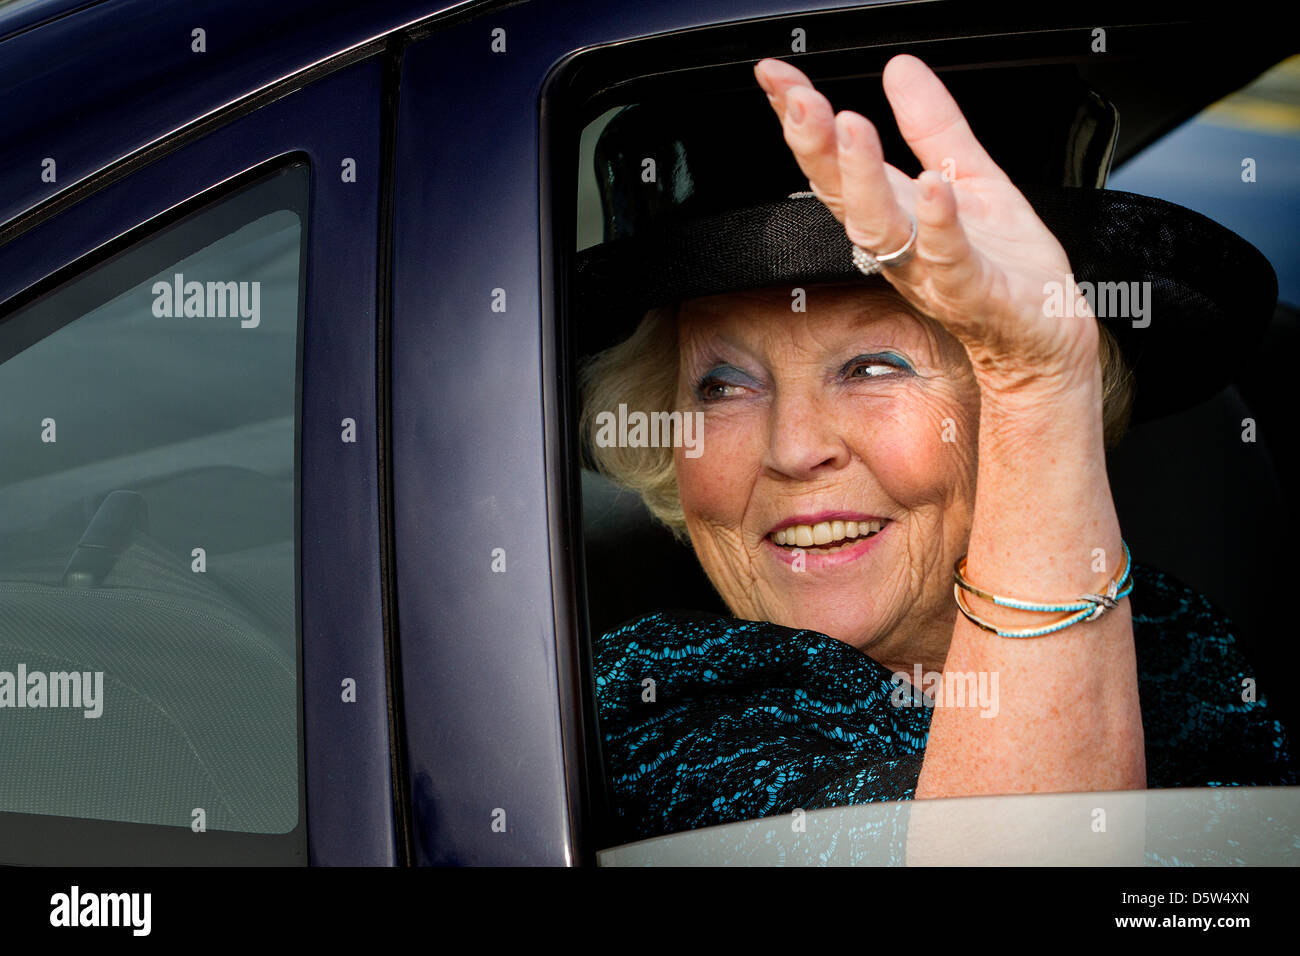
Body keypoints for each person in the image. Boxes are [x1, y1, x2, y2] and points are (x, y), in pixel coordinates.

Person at [575, 54, 1294, 843]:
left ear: (1018, 426)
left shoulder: (1176, 639)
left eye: (873, 368)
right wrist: (1038, 377)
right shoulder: (657, 709)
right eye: (722, 384)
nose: (793, 447)